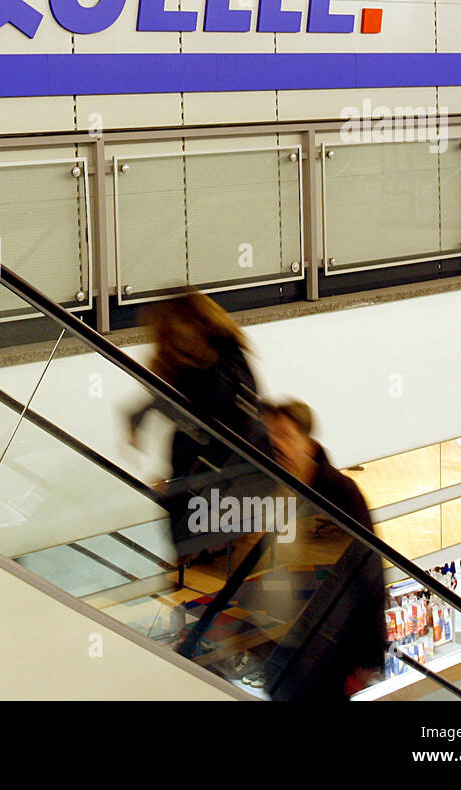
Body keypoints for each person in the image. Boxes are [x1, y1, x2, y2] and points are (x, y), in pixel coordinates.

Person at [126, 289, 274, 558]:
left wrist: (181, 482)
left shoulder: (220, 367)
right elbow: (167, 400)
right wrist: (137, 421)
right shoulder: (212, 359)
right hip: (208, 476)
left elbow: (228, 427)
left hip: (223, 479)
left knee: (203, 546)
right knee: (193, 544)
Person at [259, 400, 387, 701]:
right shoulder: (272, 490)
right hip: (280, 651)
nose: (277, 445)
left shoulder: (339, 495)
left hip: (325, 655)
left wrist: (368, 655)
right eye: (271, 436)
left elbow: (369, 574)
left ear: (309, 444)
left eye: (286, 436)